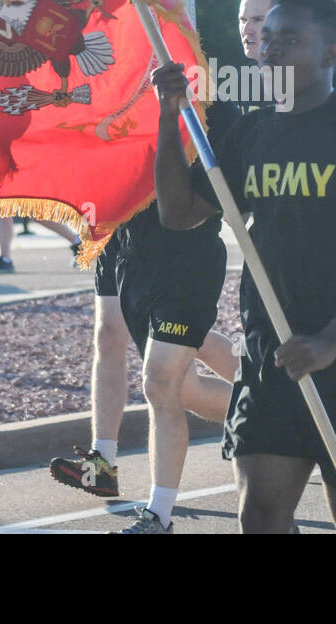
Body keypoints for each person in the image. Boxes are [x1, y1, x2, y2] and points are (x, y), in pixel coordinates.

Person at [153, 0, 336, 534]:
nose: (271, 50)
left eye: (290, 40)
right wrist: (169, 118)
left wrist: (332, 341)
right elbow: (180, 214)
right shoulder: (253, 131)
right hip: (273, 353)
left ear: (330, 54)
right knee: (260, 515)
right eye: (268, 39)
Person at [110, 98, 242, 534]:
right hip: (132, 260)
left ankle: (158, 514)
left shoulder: (211, 104)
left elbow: (222, 183)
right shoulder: (116, 95)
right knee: (179, 387)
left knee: (159, 381)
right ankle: (281, 411)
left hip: (188, 256)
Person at [49, 234, 132, 497]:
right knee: (107, 337)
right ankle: (102, 464)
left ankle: (256, 413)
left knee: (179, 370)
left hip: (169, 231)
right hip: (114, 230)